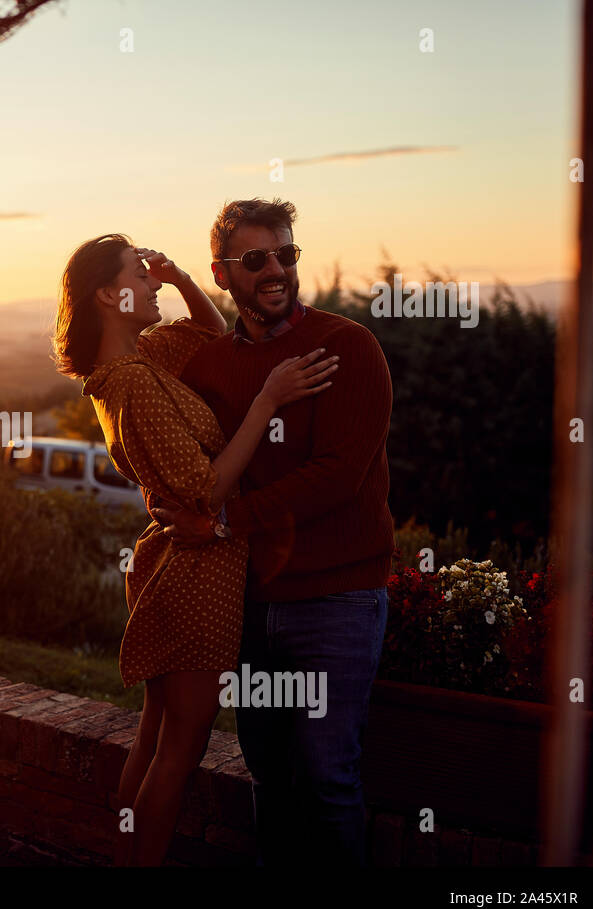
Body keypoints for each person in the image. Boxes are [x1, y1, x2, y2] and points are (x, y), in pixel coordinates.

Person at [51, 233, 338, 866]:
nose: (151, 283)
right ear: (108, 293)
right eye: (140, 274)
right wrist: (269, 400)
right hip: (199, 572)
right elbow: (209, 491)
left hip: (175, 563)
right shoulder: (134, 383)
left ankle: (122, 856)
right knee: (180, 749)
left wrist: (182, 279)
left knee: (157, 735)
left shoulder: (142, 358)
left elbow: (211, 338)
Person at [151, 198, 396, 866]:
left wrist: (224, 522)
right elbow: (194, 460)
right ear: (223, 274)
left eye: (285, 253)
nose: (275, 269)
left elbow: (337, 476)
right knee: (268, 774)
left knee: (326, 775)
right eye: (254, 259)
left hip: (337, 602)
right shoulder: (207, 369)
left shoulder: (348, 347)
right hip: (251, 604)